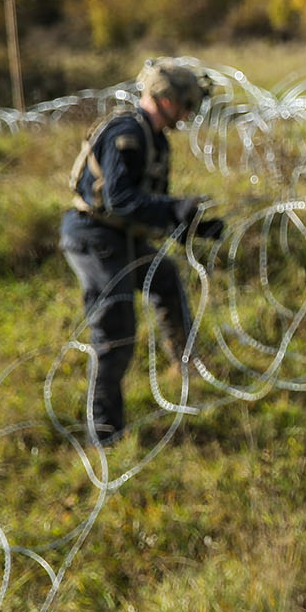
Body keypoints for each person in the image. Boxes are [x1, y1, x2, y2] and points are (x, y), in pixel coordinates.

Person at [61, 59, 224, 446]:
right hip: (95, 237)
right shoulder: (127, 133)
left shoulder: (154, 139)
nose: (189, 113)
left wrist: (190, 227)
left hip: (123, 236)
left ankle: (185, 366)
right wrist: (173, 209)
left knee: (165, 278)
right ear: (167, 99)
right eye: (186, 104)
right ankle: (104, 431)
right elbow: (119, 200)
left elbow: (146, 204)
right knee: (115, 329)